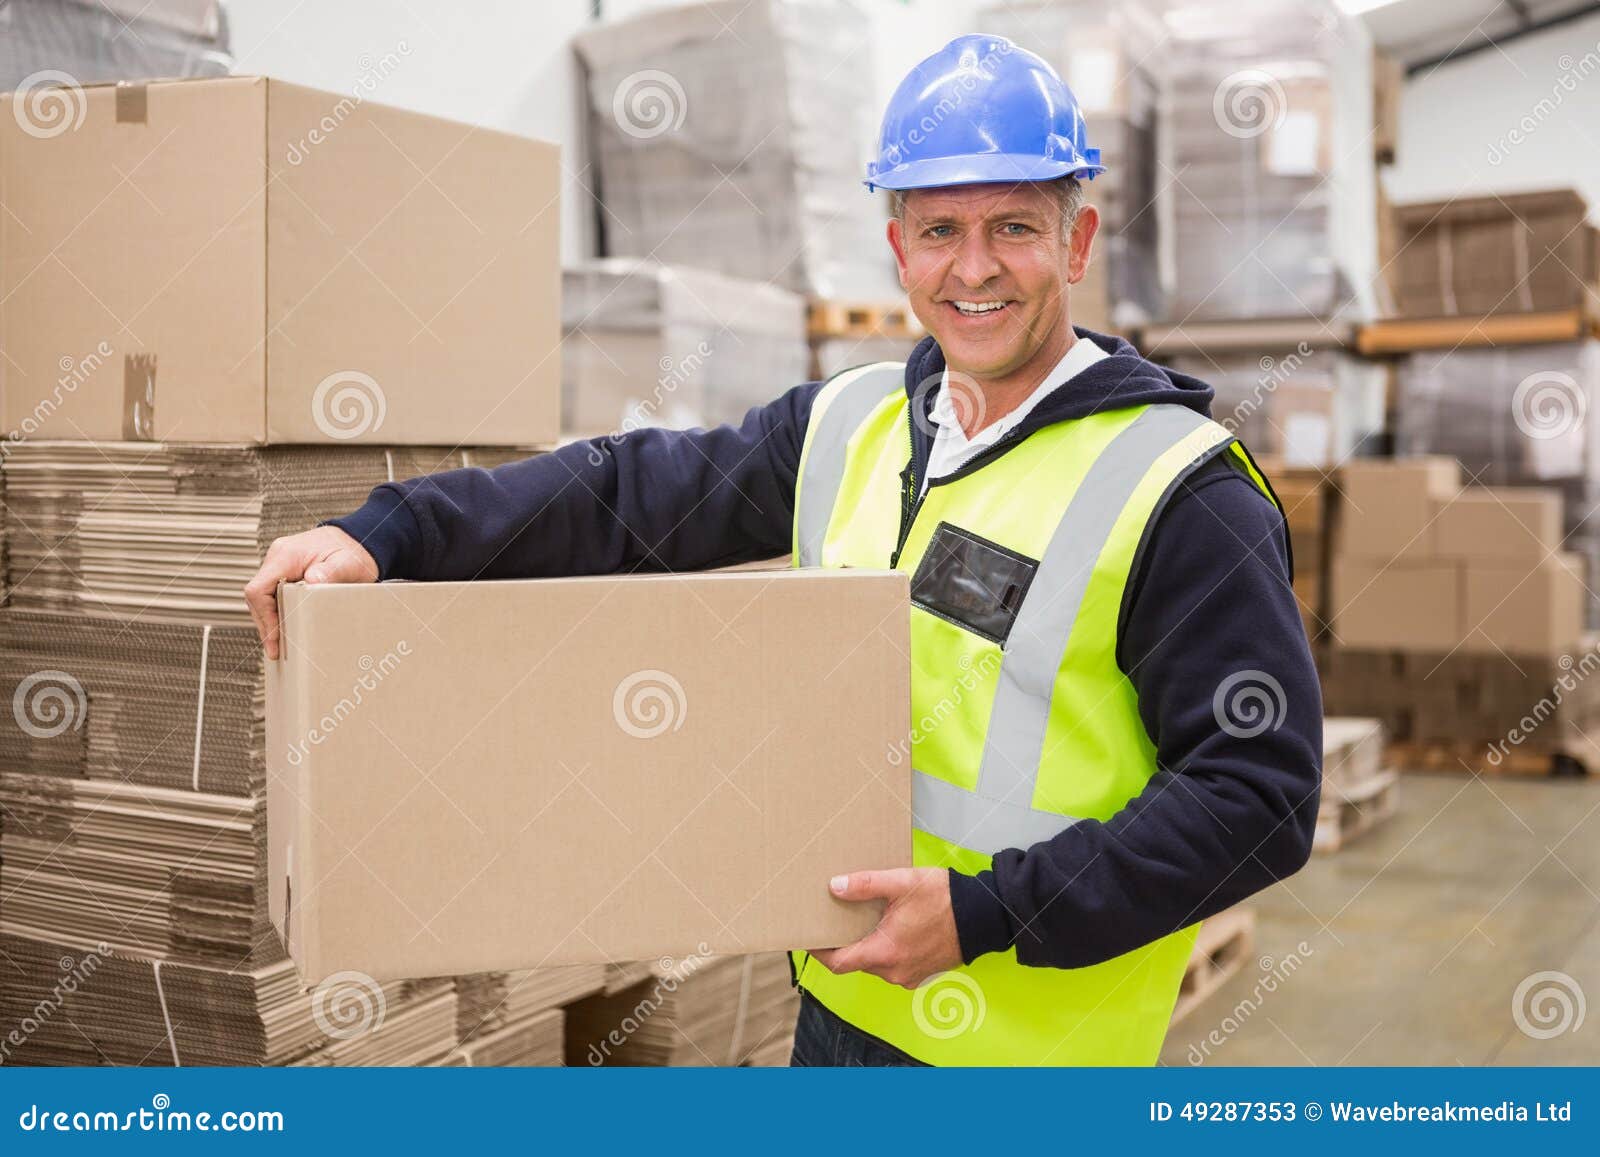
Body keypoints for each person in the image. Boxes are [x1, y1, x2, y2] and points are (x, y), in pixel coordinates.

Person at [245, 34, 1321, 1067]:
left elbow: (1257, 794)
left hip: (1023, 1056)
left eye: (1015, 226)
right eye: (939, 231)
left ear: (1076, 243)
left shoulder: (1179, 491)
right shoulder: (847, 425)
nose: (974, 266)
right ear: (898, 248)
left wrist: (985, 911)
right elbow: (626, 492)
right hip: (838, 1009)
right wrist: (390, 532)